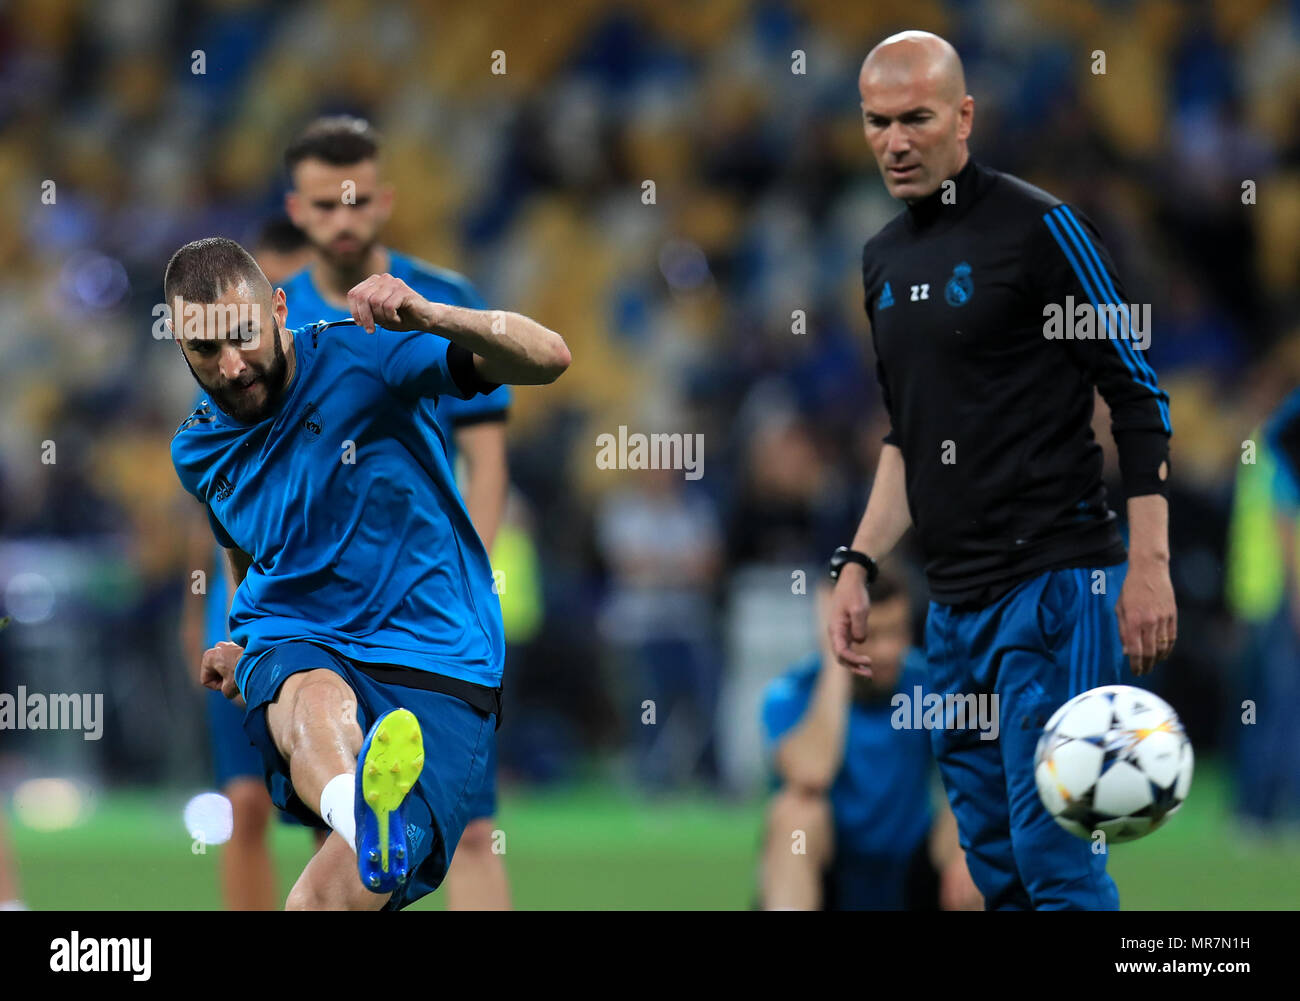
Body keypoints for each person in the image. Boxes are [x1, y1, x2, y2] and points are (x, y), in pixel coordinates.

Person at [826, 31, 1175, 910]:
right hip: (952, 611)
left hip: (1052, 590)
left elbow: (1137, 395)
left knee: (1053, 858)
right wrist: (858, 563)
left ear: (964, 116)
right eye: (877, 122)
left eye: (916, 119)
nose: (895, 141)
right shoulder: (883, 260)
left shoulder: (1042, 230)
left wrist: (1149, 565)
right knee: (993, 865)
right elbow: (908, 437)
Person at [167, 237, 568, 909]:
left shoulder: (368, 351)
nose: (231, 366)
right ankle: (365, 817)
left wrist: (435, 315)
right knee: (312, 692)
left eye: (242, 335)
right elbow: (243, 551)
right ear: (180, 347)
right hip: (306, 645)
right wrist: (243, 641)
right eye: (205, 350)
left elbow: (548, 356)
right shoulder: (199, 448)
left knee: (317, 904)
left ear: (279, 308)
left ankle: (373, 827)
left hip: (435, 663)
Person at [278, 118, 512, 906]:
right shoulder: (272, 319)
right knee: (341, 833)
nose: (343, 220)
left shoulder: (437, 298)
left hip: (428, 611)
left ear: (384, 200)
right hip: (324, 613)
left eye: (357, 201)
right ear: (297, 208)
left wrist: (467, 582)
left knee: (471, 829)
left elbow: (486, 458)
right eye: (324, 204)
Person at [177, 215, 317, 910]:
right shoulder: (217, 413)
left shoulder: (319, 387)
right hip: (234, 627)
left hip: (318, 636)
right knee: (243, 806)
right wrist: (197, 621)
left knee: (326, 811)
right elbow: (210, 537)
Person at [760, 570, 980, 910]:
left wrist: (965, 846)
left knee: (973, 820)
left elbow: (977, 772)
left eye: (897, 632)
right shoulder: (793, 692)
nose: (889, 651)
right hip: (829, 874)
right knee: (795, 815)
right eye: (870, 636)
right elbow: (811, 773)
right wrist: (835, 663)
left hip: (909, 873)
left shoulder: (928, 686)